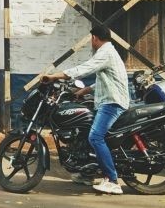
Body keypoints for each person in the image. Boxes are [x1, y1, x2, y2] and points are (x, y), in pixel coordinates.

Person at [44, 24, 130, 196]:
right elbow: (106, 79)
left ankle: (112, 181)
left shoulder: (105, 52)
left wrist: (55, 75)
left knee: (95, 137)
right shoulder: (109, 52)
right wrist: (84, 90)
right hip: (108, 100)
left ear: (94, 38)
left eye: (91, 38)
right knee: (85, 132)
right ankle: (87, 173)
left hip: (112, 103)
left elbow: (83, 69)